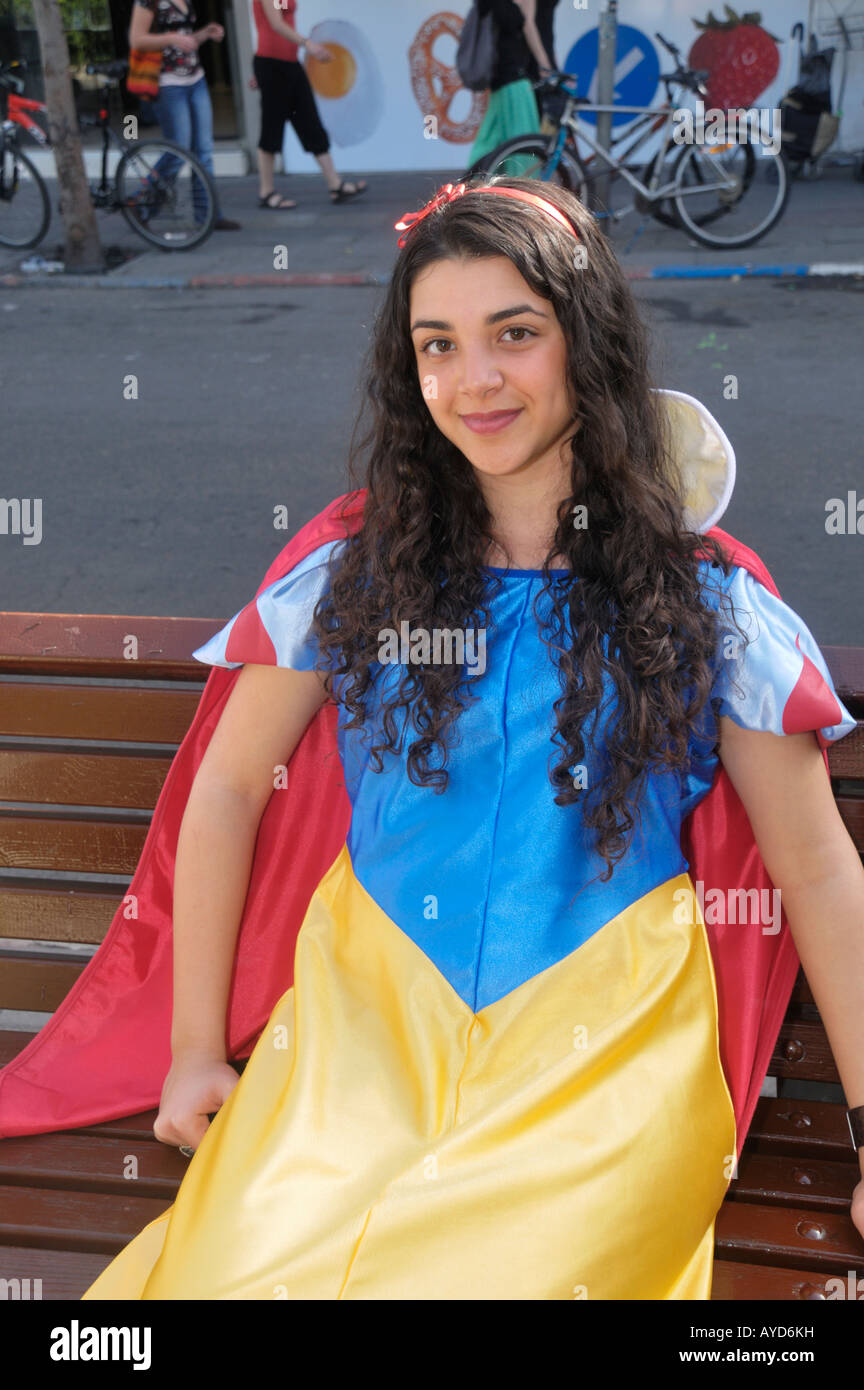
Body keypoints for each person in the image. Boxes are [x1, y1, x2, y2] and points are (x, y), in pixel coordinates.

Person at [66, 175, 864, 1299]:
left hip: (603, 1049)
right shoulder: (356, 572)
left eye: (516, 334)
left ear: (584, 342)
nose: (475, 379)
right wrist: (196, 1047)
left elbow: (820, 869)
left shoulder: (710, 606)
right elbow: (233, 785)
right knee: (230, 1275)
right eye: (437, 344)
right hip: (361, 1026)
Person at [128, 0, 241, 231]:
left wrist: (203, 34)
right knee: (178, 151)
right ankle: (142, 204)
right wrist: (172, 38)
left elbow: (184, 39)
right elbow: (136, 39)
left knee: (204, 151)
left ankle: (208, 215)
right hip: (168, 84)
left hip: (195, 79)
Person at [249, 0, 367, 210]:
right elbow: (275, 23)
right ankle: (266, 192)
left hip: (290, 64)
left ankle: (335, 185)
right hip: (272, 65)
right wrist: (308, 44)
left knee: (309, 120)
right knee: (272, 127)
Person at [468, 0, 555, 169]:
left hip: (501, 78)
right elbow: (528, 25)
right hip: (513, 77)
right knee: (521, 141)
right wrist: (546, 66)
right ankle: (519, 186)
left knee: (491, 138)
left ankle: (475, 183)